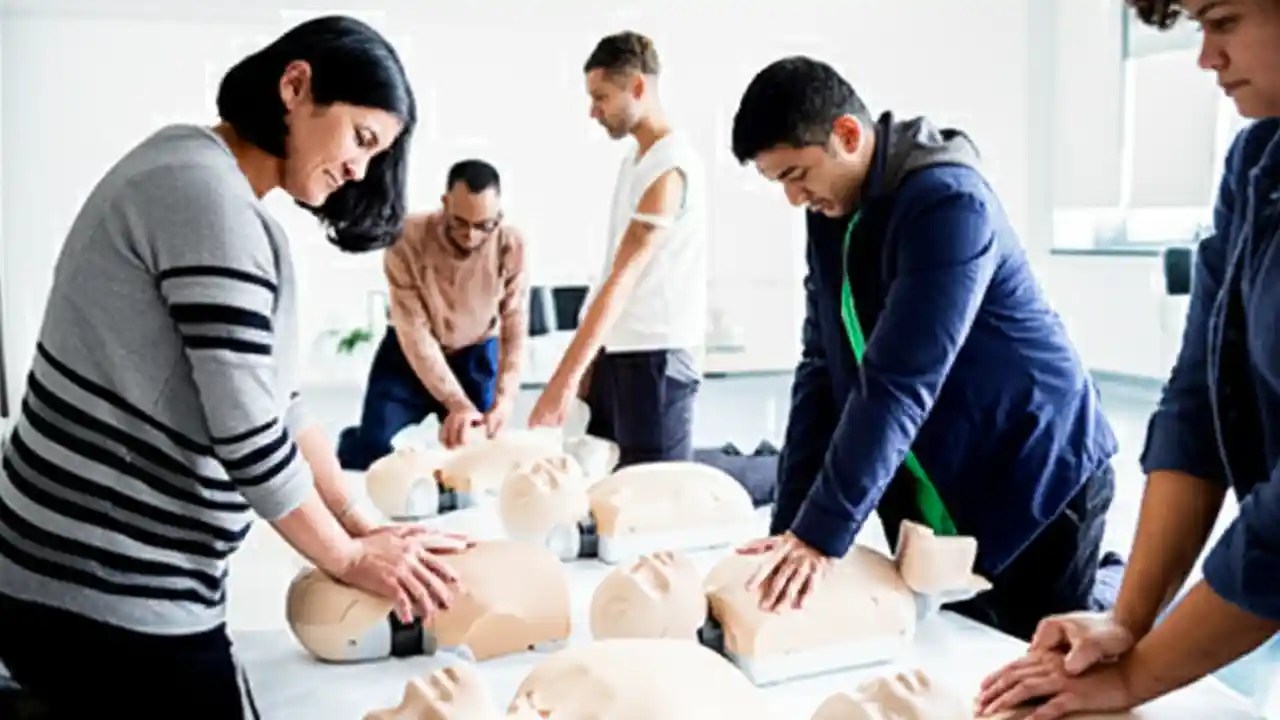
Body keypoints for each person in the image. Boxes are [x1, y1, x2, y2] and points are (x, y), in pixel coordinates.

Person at [0, 16, 466, 718]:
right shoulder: (206, 200)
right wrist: (346, 558)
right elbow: (249, 437)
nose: (359, 170)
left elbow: (282, 405)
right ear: (295, 86)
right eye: (361, 139)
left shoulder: (196, 175)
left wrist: (361, 523)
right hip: (98, 594)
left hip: (100, 582)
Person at [727, 56, 1124, 642]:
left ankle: (1118, 588)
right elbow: (821, 370)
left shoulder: (949, 202)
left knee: (1039, 654)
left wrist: (820, 535)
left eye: (796, 174)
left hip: (1033, 468)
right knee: (964, 645)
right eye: (778, 182)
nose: (792, 197)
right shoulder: (832, 211)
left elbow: (899, 378)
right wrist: (790, 529)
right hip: (944, 475)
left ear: (847, 134)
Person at [978, 1, 1280, 717]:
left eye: (1224, 21)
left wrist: (1136, 677)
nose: (1206, 58)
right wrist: (1127, 619)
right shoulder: (1256, 162)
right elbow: (1201, 400)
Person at [526, 31, 708, 468]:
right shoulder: (637, 161)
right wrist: (590, 363)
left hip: (658, 356)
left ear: (638, 87)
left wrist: (561, 383)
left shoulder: (670, 168)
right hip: (621, 353)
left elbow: (624, 279)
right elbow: (611, 268)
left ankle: (762, 468)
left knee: (655, 493)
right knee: (609, 491)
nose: (594, 111)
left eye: (601, 97)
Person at [336, 159, 528, 467]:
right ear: (445, 203)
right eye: (460, 222)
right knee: (374, 446)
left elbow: (514, 323)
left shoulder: (511, 244)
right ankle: (354, 444)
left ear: (498, 216)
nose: (470, 235)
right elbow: (414, 331)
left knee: (472, 452)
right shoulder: (405, 237)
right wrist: (455, 401)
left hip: (475, 352)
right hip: (407, 353)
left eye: (483, 225)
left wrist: (505, 399)